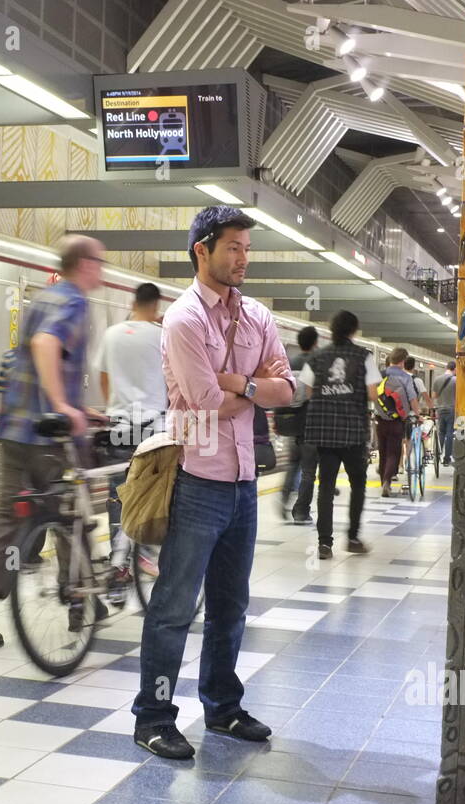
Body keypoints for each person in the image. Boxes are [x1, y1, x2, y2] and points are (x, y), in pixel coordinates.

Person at [132, 206, 294, 760]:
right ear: (201, 249)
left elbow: (287, 390)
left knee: (231, 604)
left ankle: (222, 708)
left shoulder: (259, 317)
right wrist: (254, 388)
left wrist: (237, 382)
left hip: (244, 481)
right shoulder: (183, 320)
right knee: (175, 606)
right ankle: (152, 717)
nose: (243, 258)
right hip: (196, 477)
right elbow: (203, 402)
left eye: (247, 248)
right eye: (232, 247)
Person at [0, 233, 108, 649]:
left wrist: (80, 405)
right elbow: (46, 344)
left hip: (14, 429)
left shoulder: (44, 297)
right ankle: (81, 600)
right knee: (70, 513)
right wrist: (62, 404)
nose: (103, 271)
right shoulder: (75, 300)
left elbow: (33, 354)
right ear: (86, 264)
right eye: (100, 263)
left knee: (5, 520)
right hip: (47, 435)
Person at [94, 281, 166, 590]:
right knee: (152, 495)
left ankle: (118, 560)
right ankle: (144, 554)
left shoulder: (112, 334)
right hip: (154, 429)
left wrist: (116, 409)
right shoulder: (162, 336)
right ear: (155, 306)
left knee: (118, 494)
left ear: (132, 302)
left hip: (119, 427)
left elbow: (105, 379)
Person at [299, 310, 381, 558]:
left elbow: (308, 391)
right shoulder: (364, 357)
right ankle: (353, 538)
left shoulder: (317, 357)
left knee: (326, 486)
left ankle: (325, 544)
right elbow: (373, 394)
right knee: (358, 485)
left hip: (325, 432)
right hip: (354, 432)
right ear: (353, 331)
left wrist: (329, 398)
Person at [281, 325, 319, 524]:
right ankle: (301, 512)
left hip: (291, 424)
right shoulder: (316, 363)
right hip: (310, 426)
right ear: (315, 343)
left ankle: (284, 498)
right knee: (308, 471)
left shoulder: (290, 362)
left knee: (292, 464)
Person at [377, 347, 420, 497]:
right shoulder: (406, 377)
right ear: (403, 361)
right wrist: (418, 414)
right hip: (398, 420)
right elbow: (412, 399)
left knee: (382, 451)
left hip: (380, 419)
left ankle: (383, 480)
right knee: (393, 452)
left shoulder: (379, 375)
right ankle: (388, 481)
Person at [433, 360, 456, 467]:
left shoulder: (437, 379)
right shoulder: (456, 380)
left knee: (441, 433)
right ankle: (447, 459)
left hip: (440, 409)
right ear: (454, 369)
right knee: (449, 433)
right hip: (452, 409)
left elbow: (435, 396)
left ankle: (437, 455)